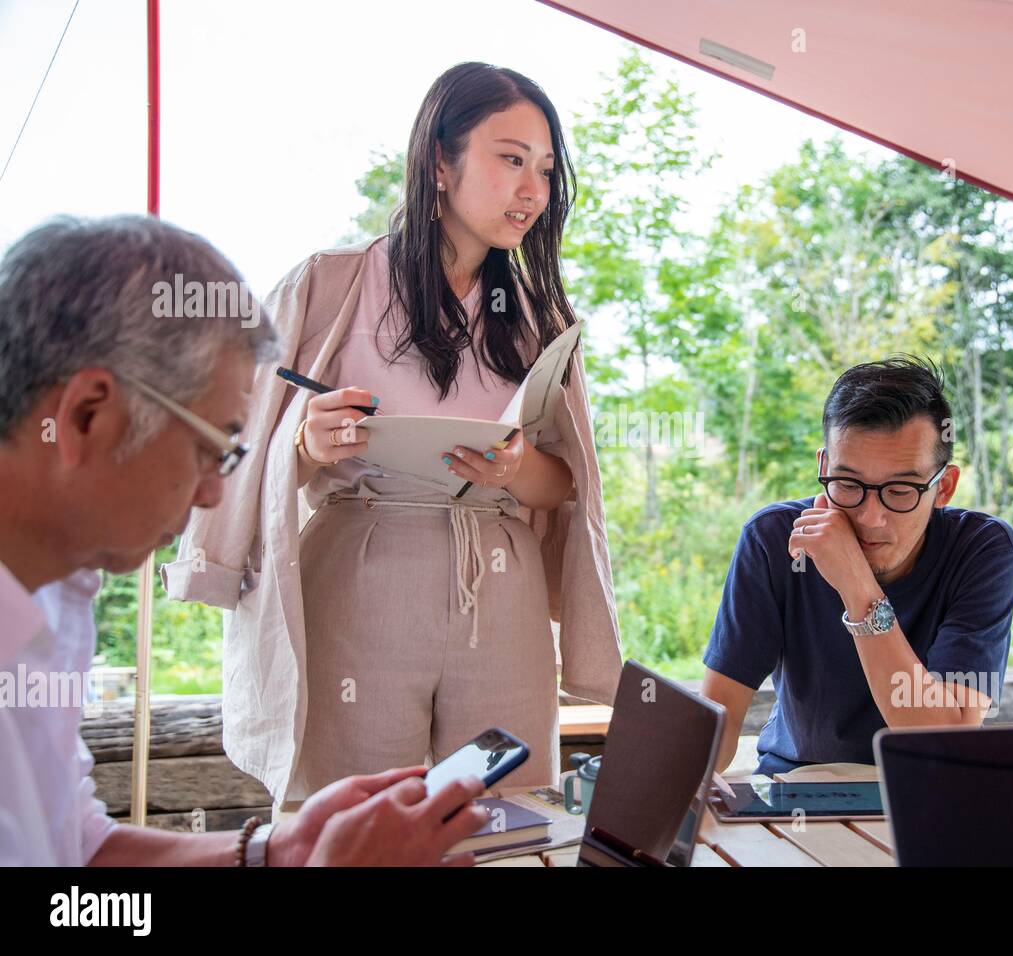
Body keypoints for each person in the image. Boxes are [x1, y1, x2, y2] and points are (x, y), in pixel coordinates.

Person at [162, 62, 622, 811]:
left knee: (505, 817)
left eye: (544, 169)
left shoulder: (542, 319)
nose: (533, 190)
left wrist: (514, 467)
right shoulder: (327, 285)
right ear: (440, 163)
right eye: (510, 160)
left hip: (502, 594)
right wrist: (308, 445)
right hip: (360, 582)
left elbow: (565, 489)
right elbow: (239, 445)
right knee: (354, 818)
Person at [0, 215, 489, 865]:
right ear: (89, 413)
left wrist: (276, 852)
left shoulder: (55, 589)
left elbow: (76, 845)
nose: (209, 494)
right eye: (213, 449)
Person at [701, 356, 1013, 775]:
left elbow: (947, 737)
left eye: (900, 489)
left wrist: (857, 586)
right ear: (823, 468)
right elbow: (718, 722)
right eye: (849, 484)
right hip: (797, 782)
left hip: (926, 789)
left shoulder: (984, 551)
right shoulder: (773, 539)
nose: (871, 516)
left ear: (943, 487)